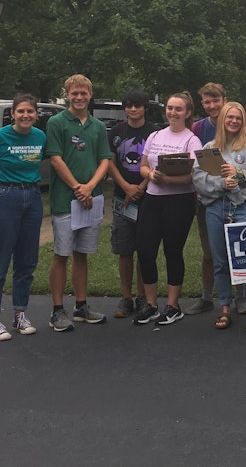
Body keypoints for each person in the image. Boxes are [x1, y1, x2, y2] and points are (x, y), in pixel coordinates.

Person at [193, 102, 246, 334]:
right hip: (216, 207)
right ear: (223, 119)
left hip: (243, 207)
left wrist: (240, 174)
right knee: (220, 261)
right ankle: (225, 307)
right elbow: (198, 179)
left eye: (238, 118)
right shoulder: (209, 148)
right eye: (230, 117)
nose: (234, 121)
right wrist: (221, 183)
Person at [0, 94, 46, 341]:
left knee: (27, 261)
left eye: (30, 112)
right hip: (4, 196)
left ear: (36, 114)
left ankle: (20, 315)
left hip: (32, 198)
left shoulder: (40, 137)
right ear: (13, 114)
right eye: (21, 112)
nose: (26, 116)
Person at [46, 74, 112, 332]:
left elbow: (104, 159)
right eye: (74, 93)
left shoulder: (96, 126)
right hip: (66, 200)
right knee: (62, 254)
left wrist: (90, 187)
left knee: (82, 254)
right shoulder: (56, 122)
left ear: (90, 94)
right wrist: (76, 187)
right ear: (67, 94)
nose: (79, 97)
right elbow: (55, 158)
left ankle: (81, 306)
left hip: (90, 201)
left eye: (83, 92)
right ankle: (57, 310)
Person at [132, 92, 202, 325]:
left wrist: (169, 181)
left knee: (172, 251)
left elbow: (196, 176)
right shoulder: (155, 135)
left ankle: (173, 305)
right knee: (144, 250)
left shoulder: (191, 140)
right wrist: (151, 175)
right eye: (170, 108)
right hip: (152, 199)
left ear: (188, 113)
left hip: (178, 202)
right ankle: (151, 304)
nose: (173, 112)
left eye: (178, 109)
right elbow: (143, 166)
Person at [187, 83, 246, 315]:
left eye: (216, 101)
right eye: (207, 101)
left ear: (225, 100)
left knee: (239, 250)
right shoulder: (198, 129)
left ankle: (240, 297)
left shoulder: (243, 127)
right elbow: (196, 167)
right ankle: (207, 297)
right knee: (210, 252)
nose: (212, 106)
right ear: (202, 103)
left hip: (238, 200)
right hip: (208, 199)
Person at [107, 90, 158, 319]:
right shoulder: (117, 132)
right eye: (128, 105)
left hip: (149, 197)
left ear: (145, 107)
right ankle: (126, 297)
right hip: (122, 198)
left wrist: (141, 186)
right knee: (124, 250)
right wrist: (126, 187)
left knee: (145, 249)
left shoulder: (155, 132)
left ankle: (141, 296)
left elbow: (159, 163)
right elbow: (110, 162)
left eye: (137, 105)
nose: (133, 109)